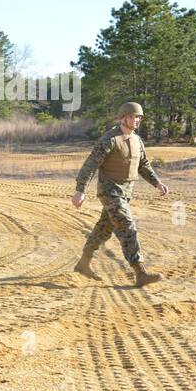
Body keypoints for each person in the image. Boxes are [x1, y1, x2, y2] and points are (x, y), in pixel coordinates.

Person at [71, 102, 170, 286]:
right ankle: (140, 272)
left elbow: (143, 165)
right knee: (127, 226)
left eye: (139, 117)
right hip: (110, 191)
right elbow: (90, 164)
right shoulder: (110, 139)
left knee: (104, 228)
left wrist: (157, 183)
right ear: (123, 117)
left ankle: (83, 263)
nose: (137, 120)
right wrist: (80, 190)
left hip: (125, 193)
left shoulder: (137, 141)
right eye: (133, 116)